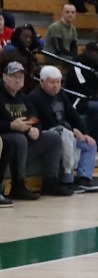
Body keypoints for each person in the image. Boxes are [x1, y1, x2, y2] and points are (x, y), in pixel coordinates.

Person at [27, 65, 98, 194]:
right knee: (65, 136)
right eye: (52, 82)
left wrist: (84, 132)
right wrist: (72, 130)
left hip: (64, 131)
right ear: (42, 81)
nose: (56, 86)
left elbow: (72, 114)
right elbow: (48, 121)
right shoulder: (36, 97)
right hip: (48, 133)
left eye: (58, 82)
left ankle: (84, 178)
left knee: (89, 144)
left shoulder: (61, 95)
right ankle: (67, 180)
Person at [0, 60, 58, 202]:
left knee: (54, 138)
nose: (18, 80)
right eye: (14, 76)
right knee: (18, 140)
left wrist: (36, 129)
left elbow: (35, 118)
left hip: (25, 137)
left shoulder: (23, 97)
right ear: (4, 77)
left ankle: (51, 181)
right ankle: (18, 185)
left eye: (21, 77)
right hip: (7, 137)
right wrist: (11, 126)